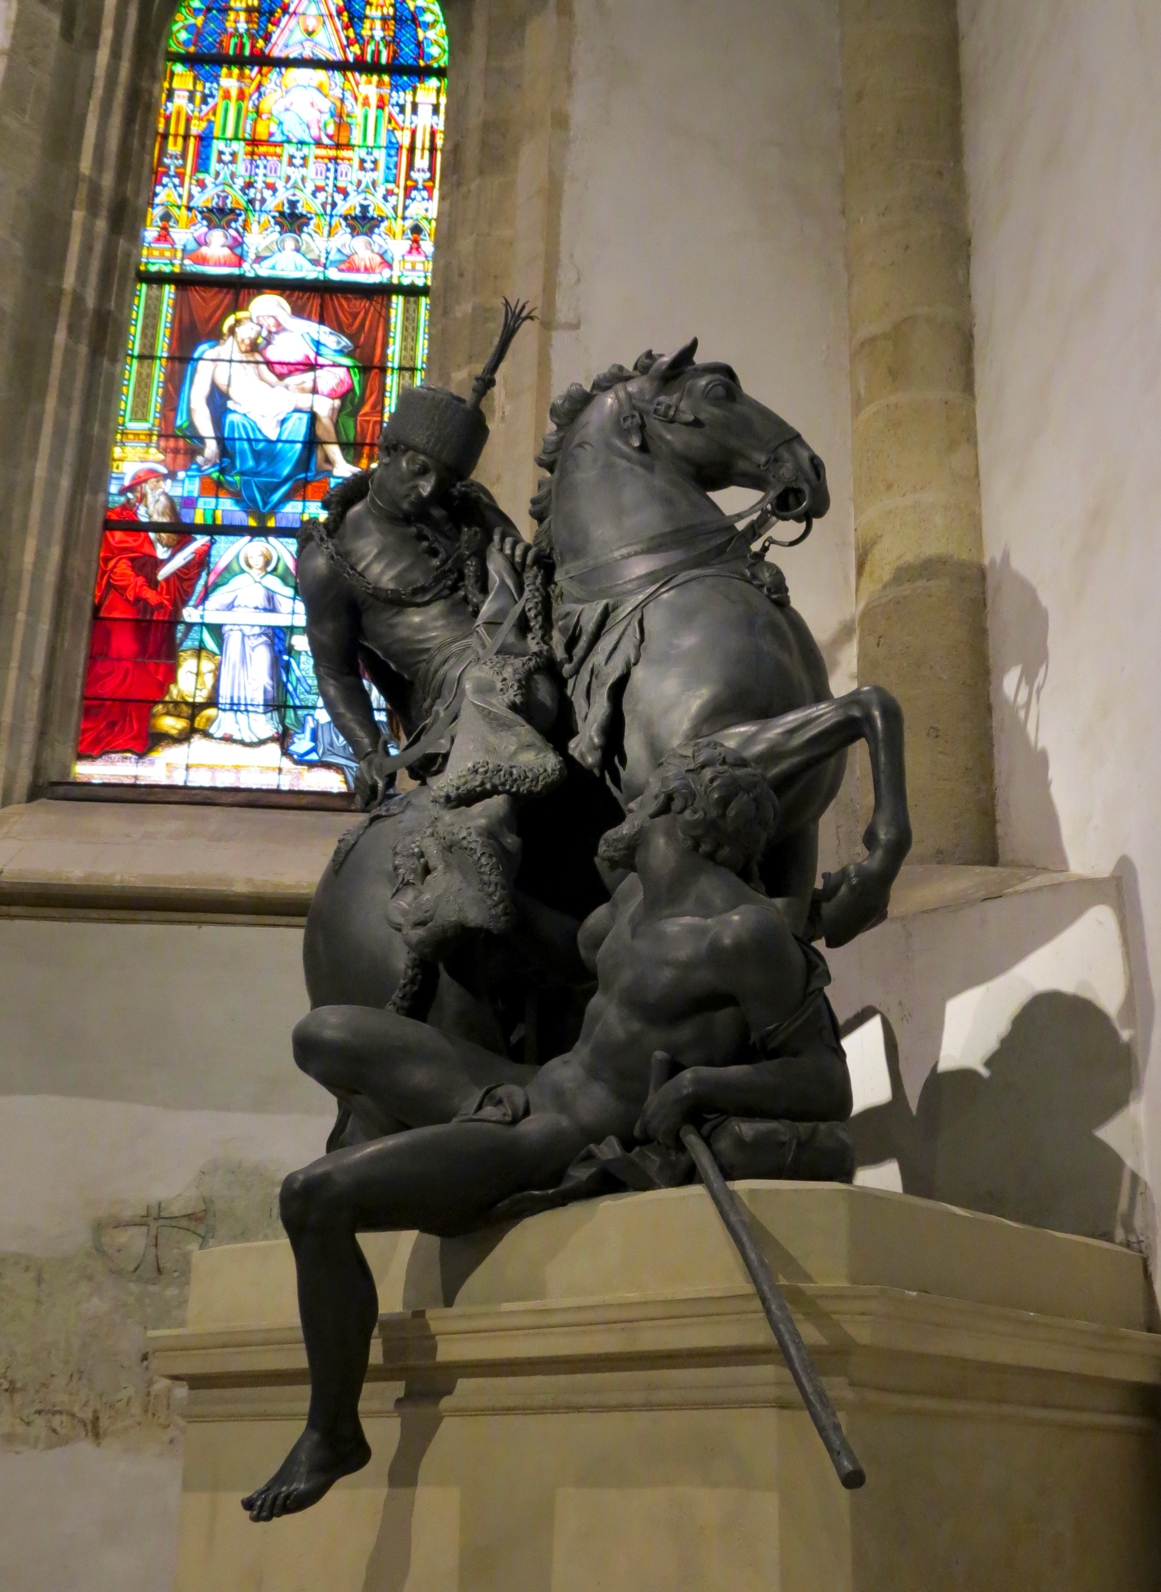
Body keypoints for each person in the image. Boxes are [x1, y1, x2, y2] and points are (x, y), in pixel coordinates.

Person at [240, 741, 853, 1522]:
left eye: (642, 796)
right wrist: (477, 883)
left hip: (555, 1139)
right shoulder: (628, 908)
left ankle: (331, 1432)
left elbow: (825, 1082)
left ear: (673, 807)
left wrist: (703, 1084)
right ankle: (432, 1159)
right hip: (524, 1091)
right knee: (322, 1033)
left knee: (313, 1198)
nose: (625, 810)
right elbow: (571, 962)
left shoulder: (741, 935)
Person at [78, 465, 208, 757]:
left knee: (144, 672)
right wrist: (143, 591)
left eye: (163, 482)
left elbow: (181, 563)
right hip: (124, 608)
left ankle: (130, 737)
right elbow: (116, 566)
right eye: (156, 483)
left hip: (158, 614)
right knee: (117, 665)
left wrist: (194, 558)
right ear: (139, 490)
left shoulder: (169, 522)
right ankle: (95, 736)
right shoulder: (116, 520)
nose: (163, 488)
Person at [181, 314, 356, 515]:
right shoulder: (213, 356)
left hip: (272, 398)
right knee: (323, 405)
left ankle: (324, 462)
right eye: (251, 330)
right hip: (254, 404)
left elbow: (277, 384)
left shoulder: (255, 357)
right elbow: (197, 401)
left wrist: (309, 376)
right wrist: (210, 442)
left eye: (257, 333)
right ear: (236, 328)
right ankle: (339, 464)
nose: (254, 337)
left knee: (332, 403)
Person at [201, 540, 299, 743]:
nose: (255, 560)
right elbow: (219, 602)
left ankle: (264, 723)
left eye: (259, 556)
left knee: (264, 678)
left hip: (263, 633)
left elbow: (287, 604)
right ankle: (230, 724)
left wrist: (307, 610)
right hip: (235, 632)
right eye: (251, 557)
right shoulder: (238, 582)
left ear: (267, 559)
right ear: (247, 561)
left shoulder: (274, 583)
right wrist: (199, 609)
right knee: (234, 676)